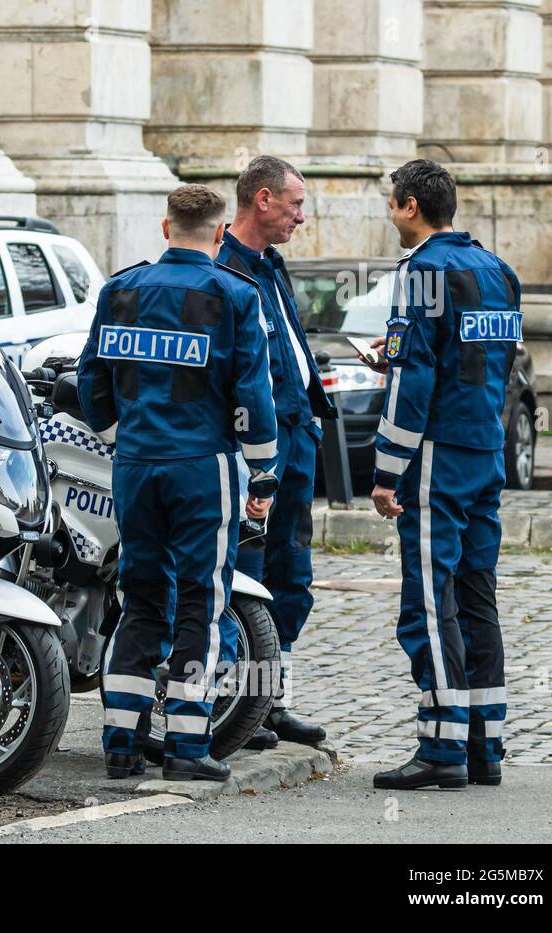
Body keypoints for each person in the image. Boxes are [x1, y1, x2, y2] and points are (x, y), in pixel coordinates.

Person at [78, 184, 278, 781]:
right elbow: (253, 394)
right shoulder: (235, 294)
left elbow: (92, 378)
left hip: (135, 465)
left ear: (166, 229)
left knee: (139, 597)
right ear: (220, 235)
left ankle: (121, 742)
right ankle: (189, 747)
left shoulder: (121, 289)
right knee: (202, 599)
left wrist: (120, 433)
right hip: (201, 467)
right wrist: (265, 472)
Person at [358, 159, 518, 790]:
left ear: (409, 206)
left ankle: (443, 747)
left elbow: (416, 378)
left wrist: (385, 470)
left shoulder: (423, 272)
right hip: (484, 449)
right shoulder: (497, 269)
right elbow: (494, 365)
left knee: (429, 600)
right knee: (478, 596)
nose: (389, 213)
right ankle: (487, 744)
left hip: (439, 456)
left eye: (390, 203)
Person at [217, 155, 336, 749]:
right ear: (262, 201)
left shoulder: (270, 265)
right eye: (294, 204)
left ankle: (274, 698)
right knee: (249, 572)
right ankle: (242, 703)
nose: (301, 216)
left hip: (296, 434)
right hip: (251, 448)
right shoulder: (222, 269)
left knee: (292, 571)